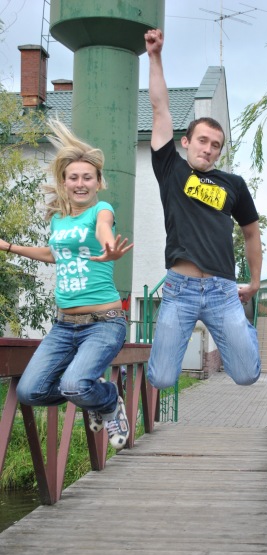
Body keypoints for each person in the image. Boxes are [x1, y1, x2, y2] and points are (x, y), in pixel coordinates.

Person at [0, 120, 133, 450]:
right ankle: (89, 391)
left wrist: (108, 247)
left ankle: (107, 400)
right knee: (30, 391)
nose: (80, 183)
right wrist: (10, 247)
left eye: (87, 177)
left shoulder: (101, 210)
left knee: (74, 385)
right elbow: (53, 254)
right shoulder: (59, 219)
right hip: (63, 326)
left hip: (103, 324)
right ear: (64, 182)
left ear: (98, 182)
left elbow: (103, 231)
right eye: (74, 177)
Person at [144, 28, 262, 389]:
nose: (208, 149)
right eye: (202, 141)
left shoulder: (233, 184)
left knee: (246, 374)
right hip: (179, 289)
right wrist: (155, 56)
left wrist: (255, 282)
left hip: (223, 292)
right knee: (162, 378)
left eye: (215, 145)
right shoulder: (171, 169)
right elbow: (160, 108)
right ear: (186, 142)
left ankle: (244, 328)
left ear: (219, 152)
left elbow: (251, 232)